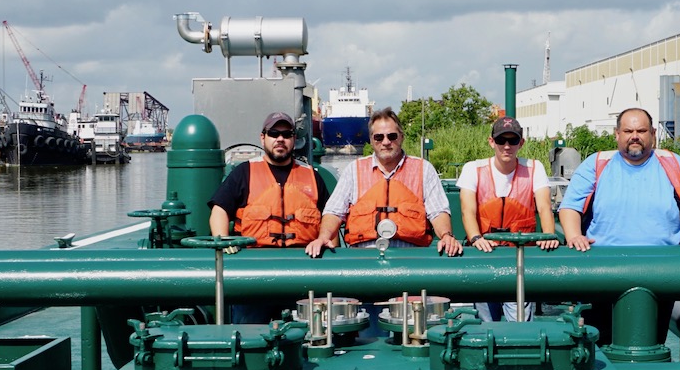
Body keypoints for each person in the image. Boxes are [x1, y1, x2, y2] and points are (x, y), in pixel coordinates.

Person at [558, 107, 680, 346]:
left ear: (653, 133)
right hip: (602, 272)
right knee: (598, 345)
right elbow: (570, 206)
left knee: (651, 343)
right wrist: (574, 236)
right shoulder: (598, 164)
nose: (635, 136)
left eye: (641, 130)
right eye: (628, 130)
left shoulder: (673, 164)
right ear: (617, 134)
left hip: (661, 274)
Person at [208, 111, 325, 322]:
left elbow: (330, 217)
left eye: (286, 134)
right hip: (254, 272)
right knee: (249, 333)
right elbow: (219, 209)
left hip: (303, 271)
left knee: (307, 337)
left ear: (294, 140)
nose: (280, 139)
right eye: (273, 133)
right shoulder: (244, 173)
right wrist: (222, 238)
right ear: (263, 138)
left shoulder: (312, 176)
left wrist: (323, 240)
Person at [305, 108, 463, 258]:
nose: (385, 142)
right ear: (371, 140)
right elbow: (334, 211)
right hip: (363, 259)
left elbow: (438, 211)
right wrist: (323, 237)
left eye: (392, 136)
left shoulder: (424, 170)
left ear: (401, 137)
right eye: (379, 137)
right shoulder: (354, 170)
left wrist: (446, 236)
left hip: (411, 258)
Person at [457, 116, 560, 320]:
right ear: (491, 142)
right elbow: (467, 210)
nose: (506, 146)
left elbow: (544, 206)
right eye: (501, 140)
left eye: (513, 141)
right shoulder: (473, 169)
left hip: (519, 258)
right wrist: (477, 238)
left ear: (521, 143)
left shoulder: (534, 168)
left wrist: (549, 235)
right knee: (486, 320)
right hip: (484, 256)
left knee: (519, 319)